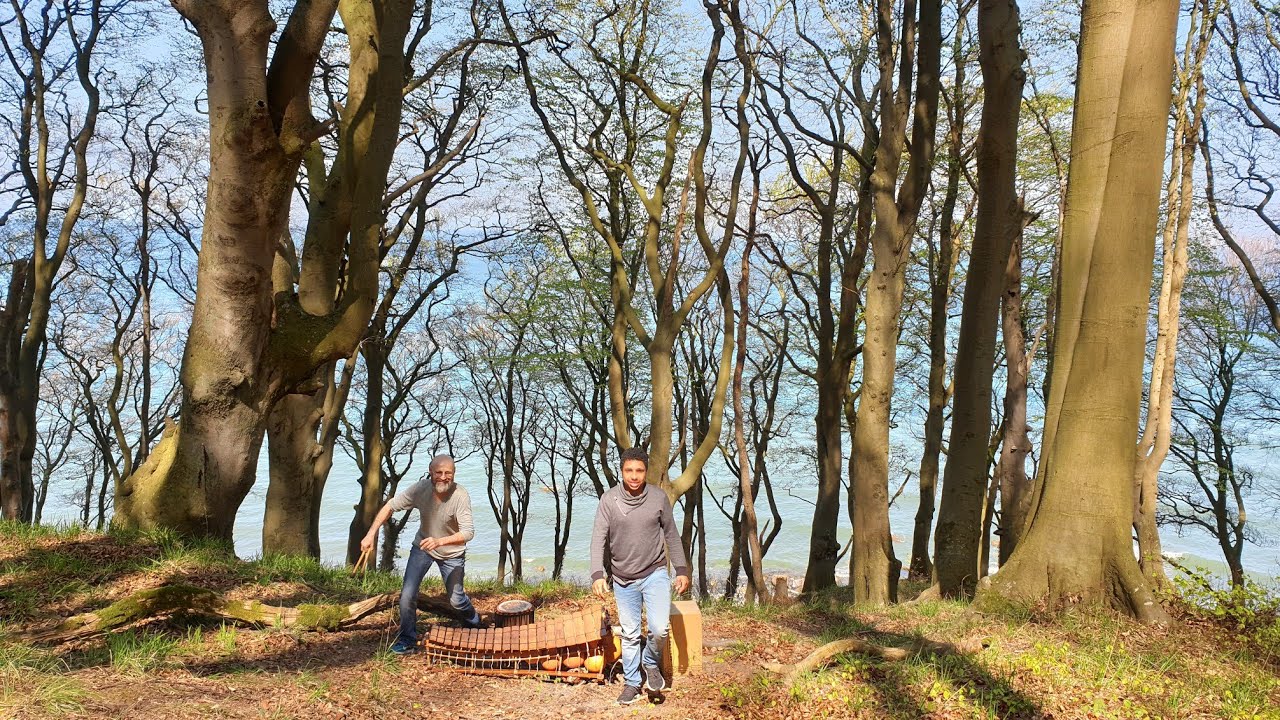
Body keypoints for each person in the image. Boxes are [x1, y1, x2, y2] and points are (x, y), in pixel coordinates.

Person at [591, 447, 691, 706]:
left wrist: (681, 569)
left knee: (659, 629)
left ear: (646, 472)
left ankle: (650, 663)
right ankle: (633, 683)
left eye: (639, 470)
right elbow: (598, 539)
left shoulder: (658, 498)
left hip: (655, 572)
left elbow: (671, 535)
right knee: (630, 633)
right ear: (622, 471)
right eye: (629, 470)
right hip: (623, 578)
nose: (634, 476)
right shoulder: (609, 500)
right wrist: (597, 574)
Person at [361, 454, 483, 654]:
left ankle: (475, 623)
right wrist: (370, 534)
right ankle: (407, 638)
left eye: (448, 473)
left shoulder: (460, 495)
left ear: (454, 474)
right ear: (430, 472)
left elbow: (468, 532)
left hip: (451, 553)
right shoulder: (420, 489)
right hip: (423, 548)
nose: (443, 477)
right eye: (439, 473)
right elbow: (390, 506)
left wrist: (439, 541)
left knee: (457, 600)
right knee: (407, 595)